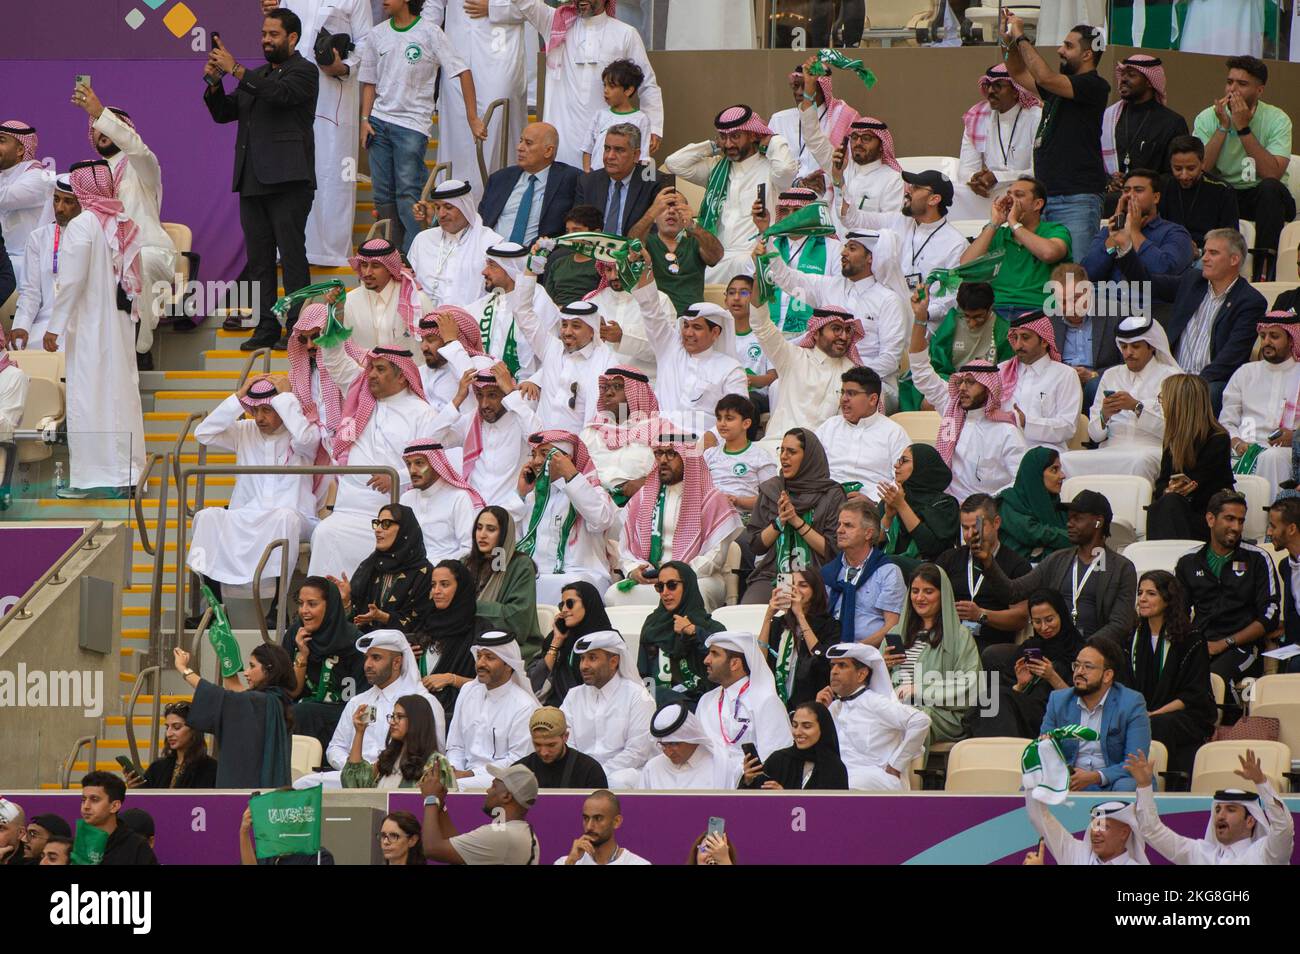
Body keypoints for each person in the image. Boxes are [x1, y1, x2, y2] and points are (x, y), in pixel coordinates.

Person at [204, 8, 318, 350]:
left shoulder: (305, 72)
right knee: (259, 262)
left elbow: (279, 95)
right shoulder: (256, 77)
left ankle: (297, 328)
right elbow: (225, 113)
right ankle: (266, 328)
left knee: (292, 258)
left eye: (274, 34)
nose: (266, 40)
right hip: (252, 181)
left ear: (292, 38)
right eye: (264, 34)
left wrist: (236, 70)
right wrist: (214, 82)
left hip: (289, 182)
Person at [43, 159, 146, 499]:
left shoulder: (83, 224)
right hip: (118, 326)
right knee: (121, 396)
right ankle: (128, 475)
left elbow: (71, 282)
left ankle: (91, 479)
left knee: (89, 399)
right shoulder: (119, 221)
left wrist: (54, 328)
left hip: (90, 327)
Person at [306, 340, 439, 577]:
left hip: (391, 511)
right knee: (324, 533)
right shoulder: (361, 398)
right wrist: (331, 323)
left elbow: (433, 462)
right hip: (348, 509)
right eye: (371, 368)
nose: (371, 375)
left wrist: (396, 478)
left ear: (401, 377)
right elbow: (335, 361)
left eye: (380, 369)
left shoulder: (422, 413)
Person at [359, 3, 482, 254]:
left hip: (412, 125)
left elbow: (463, 71)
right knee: (382, 195)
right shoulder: (377, 34)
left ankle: (415, 254)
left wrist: (473, 117)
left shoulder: (430, 32)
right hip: (378, 123)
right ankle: (389, 254)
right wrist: (364, 119)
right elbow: (369, 81)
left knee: (408, 193)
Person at [188, 376, 321, 601]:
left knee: (284, 519)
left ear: (282, 408)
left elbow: (307, 440)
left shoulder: (301, 434)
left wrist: (287, 397)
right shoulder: (245, 430)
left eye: (267, 410)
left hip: (295, 516)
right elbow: (203, 433)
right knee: (206, 517)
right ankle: (215, 606)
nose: (259, 417)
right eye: (255, 410)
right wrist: (238, 397)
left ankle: (278, 608)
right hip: (248, 513)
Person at [73, 88, 179, 358]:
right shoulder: (89, 178)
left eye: (109, 125)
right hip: (105, 257)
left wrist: (99, 113)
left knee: (134, 262)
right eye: (95, 127)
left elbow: (137, 148)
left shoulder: (143, 168)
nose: (101, 131)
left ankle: (137, 349)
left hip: (149, 252)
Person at [265, 0, 371, 268]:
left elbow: (368, 42)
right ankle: (287, 248)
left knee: (333, 171)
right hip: (293, 88)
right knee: (292, 166)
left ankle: (331, 249)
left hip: (334, 92)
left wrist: (344, 66)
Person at [1115, 230, 1265, 414]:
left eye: (1213, 253)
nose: (1205, 258)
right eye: (1205, 252)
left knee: (1209, 393)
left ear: (1234, 260)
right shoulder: (1193, 281)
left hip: (1210, 380)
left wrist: (1191, 384)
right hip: (1169, 372)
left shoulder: (1250, 301)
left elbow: (1231, 357)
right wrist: (1125, 249)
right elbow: (1146, 282)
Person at [1001, 14, 1109, 264]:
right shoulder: (1060, 89)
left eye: (1068, 46)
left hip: (1077, 198)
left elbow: (1044, 78)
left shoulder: (1094, 86)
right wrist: (1008, 44)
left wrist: (1021, 36)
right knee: (1049, 274)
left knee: (1077, 273)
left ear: (1087, 54)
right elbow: (1016, 71)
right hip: (1047, 196)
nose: (1060, 50)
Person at [762, 230, 911, 410]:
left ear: (870, 258)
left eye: (852, 248)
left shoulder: (888, 300)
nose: (843, 252)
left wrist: (846, 372)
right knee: (779, 387)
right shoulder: (828, 286)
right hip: (824, 371)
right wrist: (766, 237)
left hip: (872, 381)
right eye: (845, 247)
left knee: (835, 394)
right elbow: (786, 278)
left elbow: (889, 360)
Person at [509, 0, 663, 171]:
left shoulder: (625, 33)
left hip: (603, 146)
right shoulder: (554, 23)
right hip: (562, 143)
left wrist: (654, 127)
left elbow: (647, 84)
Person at [976, 489, 1138, 643]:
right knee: (995, 656)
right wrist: (989, 562)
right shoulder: (1057, 560)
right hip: (1054, 648)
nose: (1069, 524)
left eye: (1077, 518)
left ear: (1098, 522)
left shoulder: (1122, 568)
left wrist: (1087, 650)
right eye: (1069, 518)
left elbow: (1120, 625)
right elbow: (1013, 592)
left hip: (1096, 655)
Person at [662, 105, 797, 283]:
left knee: (744, 265)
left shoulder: (771, 169)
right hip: (716, 256)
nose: (728, 144)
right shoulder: (716, 168)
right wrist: (711, 146)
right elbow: (674, 163)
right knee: (680, 273)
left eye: (735, 137)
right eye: (723, 137)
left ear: (752, 134)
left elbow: (786, 170)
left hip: (750, 257)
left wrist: (772, 140)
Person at [1191, 56, 1296, 282]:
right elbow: (1199, 169)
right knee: (1205, 187)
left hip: (1265, 197)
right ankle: (1200, 265)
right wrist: (1223, 127)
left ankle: (1263, 272)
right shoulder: (1209, 117)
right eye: (1230, 82)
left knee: (1270, 188)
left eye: (1242, 84)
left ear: (1259, 90)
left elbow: (1273, 173)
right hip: (1227, 193)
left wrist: (1243, 128)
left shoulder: (1277, 119)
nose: (1233, 90)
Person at [907, 305, 1027, 503]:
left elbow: (1020, 479)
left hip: (987, 510)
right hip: (947, 505)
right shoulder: (950, 406)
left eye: (970, 383)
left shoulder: (1006, 431)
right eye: (961, 381)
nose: (962, 387)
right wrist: (920, 320)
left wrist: (988, 501)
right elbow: (920, 371)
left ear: (988, 388)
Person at [614, 428, 741, 610]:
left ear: (687, 457)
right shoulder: (643, 497)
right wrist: (633, 569)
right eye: (659, 454)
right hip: (652, 576)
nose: (663, 460)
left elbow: (715, 556)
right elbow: (625, 547)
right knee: (614, 595)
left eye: (671, 454)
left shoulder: (711, 499)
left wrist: (677, 576)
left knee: (697, 593)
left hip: (696, 577)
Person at [1175, 491, 1282, 688]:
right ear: (1210, 519)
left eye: (1241, 521)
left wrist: (1226, 643)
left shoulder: (1258, 558)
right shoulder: (1188, 561)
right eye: (1230, 519)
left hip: (1244, 648)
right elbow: (1177, 611)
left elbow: (1270, 614)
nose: (1236, 527)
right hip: (1201, 645)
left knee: (1213, 681)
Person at [838, 170, 968, 332]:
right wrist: (839, 181)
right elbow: (853, 220)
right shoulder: (897, 221)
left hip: (925, 329)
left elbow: (951, 296)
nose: (908, 190)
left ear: (934, 199)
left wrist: (921, 314)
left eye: (916, 187)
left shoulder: (956, 244)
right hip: (884, 318)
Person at [1060, 314, 1181, 483]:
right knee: (1066, 461)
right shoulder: (1111, 375)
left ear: (1151, 346)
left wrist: (1136, 407)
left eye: (1135, 346)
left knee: (1139, 462)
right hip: (1111, 449)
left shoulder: (1172, 378)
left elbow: (1175, 432)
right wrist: (1105, 415)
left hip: (1151, 449)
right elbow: (1095, 436)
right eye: (1123, 347)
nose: (1128, 353)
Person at [1127, 747, 1294, 864]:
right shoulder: (1199, 854)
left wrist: (1261, 782)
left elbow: (1283, 827)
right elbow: (1152, 831)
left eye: (1231, 809)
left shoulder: (1267, 854)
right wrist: (1144, 786)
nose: (1220, 815)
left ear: (1250, 821)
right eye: (1218, 809)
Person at [510, 430, 618, 605]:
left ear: (566, 459)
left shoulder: (592, 492)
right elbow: (500, 531)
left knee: (571, 586)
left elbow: (600, 520)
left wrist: (572, 476)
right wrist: (519, 494)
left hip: (582, 574)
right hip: (537, 574)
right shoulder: (530, 498)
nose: (536, 461)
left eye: (544, 454)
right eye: (534, 454)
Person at [511, 264, 619, 433]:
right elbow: (522, 311)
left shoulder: (605, 361)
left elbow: (600, 416)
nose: (567, 332)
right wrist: (531, 268)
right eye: (564, 325)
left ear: (592, 331)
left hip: (578, 451)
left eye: (575, 326)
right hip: (541, 446)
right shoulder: (551, 347)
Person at [743, 428, 846, 605]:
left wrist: (797, 522)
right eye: (782, 450)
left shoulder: (832, 495)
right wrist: (779, 522)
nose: (784, 457)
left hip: (816, 575)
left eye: (792, 452)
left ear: (808, 457)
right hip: (775, 573)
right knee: (750, 613)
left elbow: (833, 551)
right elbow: (756, 545)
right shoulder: (772, 490)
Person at [1129, 570, 1215, 776]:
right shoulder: (1133, 637)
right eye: (1140, 593)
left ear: (1168, 599)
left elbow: (1193, 694)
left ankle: (1158, 781)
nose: (1142, 599)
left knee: (1159, 724)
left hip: (1185, 715)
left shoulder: (1191, 639)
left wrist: (1153, 714)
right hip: (1145, 712)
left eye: (1151, 593)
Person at [1038, 636, 1151, 793]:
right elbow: (1043, 749)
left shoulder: (1131, 703)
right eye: (1076, 665)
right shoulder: (1058, 700)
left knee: (1127, 786)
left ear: (1107, 675)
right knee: (1031, 785)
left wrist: (1096, 776)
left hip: (1113, 781)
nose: (1079, 672)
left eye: (1087, 667)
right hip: (1070, 779)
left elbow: (1134, 763)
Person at [173, 643, 295, 788]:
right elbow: (235, 695)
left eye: (252, 666)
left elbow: (218, 696)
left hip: (249, 793)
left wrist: (183, 668)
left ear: (269, 669)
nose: (246, 672)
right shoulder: (276, 700)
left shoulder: (261, 701)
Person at [886, 563, 982, 746]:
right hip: (897, 707)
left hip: (942, 714)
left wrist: (920, 690)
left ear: (942, 595)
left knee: (915, 719)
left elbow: (971, 686)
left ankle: (898, 773)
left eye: (928, 591)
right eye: (915, 591)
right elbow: (877, 684)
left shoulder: (960, 636)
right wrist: (883, 666)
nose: (919, 598)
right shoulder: (896, 633)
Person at [816, 643, 930, 790]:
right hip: (842, 775)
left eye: (842, 665)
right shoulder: (834, 707)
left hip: (876, 777)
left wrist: (897, 764)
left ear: (861, 674)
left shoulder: (876, 702)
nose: (834, 671)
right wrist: (819, 711)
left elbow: (920, 720)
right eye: (832, 666)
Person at [974, 589, 1082, 739]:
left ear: (1062, 615)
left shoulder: (1079, 651)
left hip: (1055, 714)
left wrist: (1052, 677)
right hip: (1023, 711)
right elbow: (1009, 693)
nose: (1044, 627)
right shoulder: (1030, 647)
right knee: (993, 699)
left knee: (996, 702)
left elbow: (1081, 703)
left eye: (1049, 619)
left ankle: (998, 754)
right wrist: (1020, 685)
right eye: (1037, 622)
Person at [429, 364, 538, 509]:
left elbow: (537, 439)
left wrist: (513, 394)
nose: (484, 404)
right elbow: (430, 442)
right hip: (474, 517)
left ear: (505, 394)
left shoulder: (521, 419)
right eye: (479, 395)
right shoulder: (472, 420)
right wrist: (458, 399)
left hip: (510, 517)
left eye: (492, 395)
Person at [960, 177, 1071, 318]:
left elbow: (1049, 253)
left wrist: (1013, 222)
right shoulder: (997, 233)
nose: (1010, 200)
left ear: (1037, 204)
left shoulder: (1055, 230)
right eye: (1009, 195)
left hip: (1039, 311)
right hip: (997, 310)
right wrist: (994, 222)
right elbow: (966, 267)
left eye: (1018, 195)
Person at [935, 493, 1032, 655]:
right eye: (965, 528)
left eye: (977, 526)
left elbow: (1020, 617)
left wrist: (981, 614)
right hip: (949, 639)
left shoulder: (1016, 564)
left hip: (990, 644)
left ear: (996, 523)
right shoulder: (949, 558)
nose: (970, 534)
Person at [750, 302, 863, 435]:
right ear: (816, 333)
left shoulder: (852, 372)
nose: (844, 337)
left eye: (848, 330)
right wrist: (757, 295)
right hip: (778, 445)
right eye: (836, 329)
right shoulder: (792, 358)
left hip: (823, 451)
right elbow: (763, 328)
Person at [697, 631, 795, 785]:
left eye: (714, 654)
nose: (706, 660)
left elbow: (776, 755)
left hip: (751, 790)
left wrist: (746, 780)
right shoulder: (706, 700)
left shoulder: (765, 700)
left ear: (735, 663)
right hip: (709, 787)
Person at [444, 632, 540, 789]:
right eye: (479, 656)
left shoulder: (524, 706)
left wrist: (471, 775)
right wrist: (454, 770)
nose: (480, 663)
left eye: (489, 657)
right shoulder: (468, 691)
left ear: (508, 664)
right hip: (464, 775)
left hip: (502, 779)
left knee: (455, 787)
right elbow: (456, 745)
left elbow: (518, 760)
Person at [897, 282, 1013, 412]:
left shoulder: (1003, 330)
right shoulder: (952, 322)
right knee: (927, 404)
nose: (972, 323)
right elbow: (937, 365)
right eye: (967, 317)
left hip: (987, 388)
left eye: (978, 317)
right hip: (954, 383)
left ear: (990, 308)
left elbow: (1007, 372)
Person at [562, 630, 657, 787]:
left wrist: (595, 774)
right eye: (582, 659)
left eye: (592, 658)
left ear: (613, 662)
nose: (584, 666)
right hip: (580, 775)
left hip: (625, 774)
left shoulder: (638, 696)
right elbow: (566, 743)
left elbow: (637, 752)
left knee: (618, 782)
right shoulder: (574, 696)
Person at [1147, 374, 1235, 541]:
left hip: (1209, 516)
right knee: (1165, 504)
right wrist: (1168, 490)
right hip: (1179, 510)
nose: (1162, 405)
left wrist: (1178, 491)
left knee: (1170, 504)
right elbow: (1161, 482)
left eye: (1163, 398)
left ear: (1178, 403)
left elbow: (1205, 488)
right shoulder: (1172, 438)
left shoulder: (1218, 438)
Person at [1222, 313, 1300, 497]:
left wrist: (1295, 438)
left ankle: (1273, 519)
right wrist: (1237, 442)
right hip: (1244, 449)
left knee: (1272, 457)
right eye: (1263, 336)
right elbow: (1226, 421)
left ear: (1291, 340)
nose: (1266, 342)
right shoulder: (1245, 373)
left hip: (1287, 452)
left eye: (1274, 336)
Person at [748, 188, 842, 340]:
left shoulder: (833, 248)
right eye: (785, 210)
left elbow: (838, 294)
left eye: (797, 210)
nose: (790, 215)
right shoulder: (767, 245)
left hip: (811, 333)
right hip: (769, 332)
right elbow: (754, 295)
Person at [952, 64, 1041, 221]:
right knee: (950, 191)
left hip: (1025, 190)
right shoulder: (977, 117)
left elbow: (1039, 171)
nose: (991, 92)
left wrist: (998, 177)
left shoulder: (1036, 118)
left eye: (998, 86)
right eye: (988, 85)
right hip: (989, 190)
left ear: (1016, 90)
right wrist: (976, 180)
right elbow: (965, 170)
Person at [334, 504, 433, 643]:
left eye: (386, 524)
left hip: (405, 652)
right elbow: (354, 622)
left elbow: (422, 623)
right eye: (377, 523)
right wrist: (346, 601)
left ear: (405, 530)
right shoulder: (370, 566)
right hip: (364, 649)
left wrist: (384, 617)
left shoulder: (424, 573)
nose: (378, 530)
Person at [1082, 170, 1194, 286]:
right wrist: (1112, 241)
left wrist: (1134, 233)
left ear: (1156, 197)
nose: (1130, 195)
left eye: (1138, 190)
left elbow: (1166, 271)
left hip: (1147, 302)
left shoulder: (1175, 233)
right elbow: (1087, 275)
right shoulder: (1110, 231)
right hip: (1105, 300)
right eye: (1126, 191)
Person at [818, 499, 906, 646]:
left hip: (871, 655)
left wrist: (854, 652)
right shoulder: (829, 573)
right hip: (828, 652)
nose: (839, 530)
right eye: (839, 524)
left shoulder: (888, 572)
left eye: (848, 525)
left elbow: (893, 626)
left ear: (868, 533)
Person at [1100, 54, 1189, 200]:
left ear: (1149, 82)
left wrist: (1138, 184)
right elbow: (1093, 162)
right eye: (1122, 74)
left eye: (1131, 75)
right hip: (1111, 203)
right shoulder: (1107, 118)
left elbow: (1175, 173)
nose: (1123, 79)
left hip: (1153, 206)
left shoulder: (1172, 122)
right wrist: (1109, 181)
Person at [637, 561, 723, 708]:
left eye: (672, 585)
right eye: (660, 586)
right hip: (656, 703)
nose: (665, 592)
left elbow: (723, 668)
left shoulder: (711, 628)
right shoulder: (653, 625)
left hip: (700, 705)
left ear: (688, 586)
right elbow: (643, 674)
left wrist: (693, 631)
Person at [815, 367, 911, 499]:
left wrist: (874, 501)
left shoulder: (894, 433)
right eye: (842, 392)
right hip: (826, 499)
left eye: (851, 393)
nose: (844, 399)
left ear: (872, 399)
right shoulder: (829, 426)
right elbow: (809, 465)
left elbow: (903, 479)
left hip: (870, 507)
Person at [628, 187, 723, 318]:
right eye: (665, 207)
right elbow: (630, 246)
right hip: (656, 318)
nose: (671, 211)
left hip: (692, 321)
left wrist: (693, 226)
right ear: (655, 216)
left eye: (677, 207)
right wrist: (651, 213)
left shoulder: (696, 242)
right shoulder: (647, 242)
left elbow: (716, 256)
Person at [420, 761, 539, 865]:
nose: (488, 790)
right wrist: (440, 806)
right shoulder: (520, 832)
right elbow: (457, 853)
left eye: (493, 786)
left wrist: (431, 799)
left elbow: (432, 849)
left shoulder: (501, 835)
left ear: (506, 796)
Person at [479, 123, 580, 246]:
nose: (519, 147)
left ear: (548, 151)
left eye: (528, 143)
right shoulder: (499, 179)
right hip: (492, 254)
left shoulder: (571, 179)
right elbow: (481, 222)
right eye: (521, 141)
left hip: (536, 257)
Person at [409, 179, 502, 308]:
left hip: (472, 321)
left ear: (465, 207)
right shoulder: (423, 240)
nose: (441, 214)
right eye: (437, 207)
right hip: (424, 322)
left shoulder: (490, 243)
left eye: (448, 207)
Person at [9, 177, 79, 349]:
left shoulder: (96, 238)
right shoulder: (39, 238)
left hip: (82, 324)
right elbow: (30, 291)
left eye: (68, 201)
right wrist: (22, 324)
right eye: (56, 200)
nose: (60, 208)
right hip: (45, 323)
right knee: (17, 348)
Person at [758, 567, 837, 709]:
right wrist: (768, 617)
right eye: (791, 584)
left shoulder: (830, 625)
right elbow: (760, 661)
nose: (795, 589)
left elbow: (822, 660)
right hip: (775, 702)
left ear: (815, 591)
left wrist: (800, 615)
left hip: (811, 702)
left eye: (803, 585)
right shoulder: (778, 624)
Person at [767, 61, 859, 181]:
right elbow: (768, 165)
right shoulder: (779, 120)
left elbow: (853, 167)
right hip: (787, 194)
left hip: (827, 195)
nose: (799, 92)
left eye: (805, 86)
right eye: (795, 86)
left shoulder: (845, 117)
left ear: (823, 88)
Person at [466, 506, 539, 653]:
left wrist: (471, 607)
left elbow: (518, 617)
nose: (482, 535)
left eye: (491, 529)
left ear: (504, 534)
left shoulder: (521, 565)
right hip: (468, 640)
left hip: (510, 646)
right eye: (479, 528)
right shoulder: (465, 563)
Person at [334, 238, 427, 353]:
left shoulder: (416, 300)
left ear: (390, 268)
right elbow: (340, 347)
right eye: (364, 265)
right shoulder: (349, 301)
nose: (367, 273)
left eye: (375, 266)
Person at [576, 125, 668, 239]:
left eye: (619, 150)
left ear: (636, 155)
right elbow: (577, 225)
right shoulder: (588, 182)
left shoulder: (655, 182)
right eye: (607, 148)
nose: (610, 156)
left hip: (635, 250)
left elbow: (661, 232)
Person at [581, 366, 657, 504]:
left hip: (638, 508)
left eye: (617, 386)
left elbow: (680, 474)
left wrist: (649, 483)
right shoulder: (590, 432)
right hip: (593, 509)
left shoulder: (659, 432)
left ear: (637, 393)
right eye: (606, 387)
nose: (608, 393)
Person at [878, 444, 960, 567]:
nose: (896, 465)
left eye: (904, 461)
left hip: (926, 574)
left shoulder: (945, 504)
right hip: (886, 569)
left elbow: (931, 548)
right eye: (898, 460)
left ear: (922, 466)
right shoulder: (892, 498)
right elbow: (871, 544)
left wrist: (902, 506)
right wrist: (888, 517)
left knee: (889, 564)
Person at [1157, 135, 1240, 258]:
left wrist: (1200, 252)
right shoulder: (1162, 185)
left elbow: (1230, 239)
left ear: (1203, 163)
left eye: (1191, 168)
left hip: (1207, 256)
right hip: (1168, 253)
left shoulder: (1222, 190)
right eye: (1178, 169)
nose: (1184, 176)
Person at [415, 561, 480, 715]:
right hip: (418, 712)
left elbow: (492, 685)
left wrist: (451, 679)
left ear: (461, 588)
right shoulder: (424, 626)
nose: (436, 591)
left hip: (460, 712)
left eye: (444, 585)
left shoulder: (479, 631)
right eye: (433, 585)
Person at [398, 442, 483, 561]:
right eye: (408, 464)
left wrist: (439, 566)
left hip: (444, 572)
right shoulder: (406, 498)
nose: (412, 470)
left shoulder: (458, 498)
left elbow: (468, 548)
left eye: (419, 463)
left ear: (435, 464)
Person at [740, 701, 849, 791]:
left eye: (806, 726)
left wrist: (787, 799)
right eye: (795, 725)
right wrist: (748, 781)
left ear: (823, 729)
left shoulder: (834, 768)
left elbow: (835, 812)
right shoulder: (778, 760)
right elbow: (751, 806)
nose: (798, 732)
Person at [341, 693, 439, 789]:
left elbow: (444, 800)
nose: (392, 722)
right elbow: (354, 784)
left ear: (417, 720)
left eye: (399, 717)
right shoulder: (388, 759)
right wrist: (359, 732)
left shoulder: (435, 762)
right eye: (392, 716)